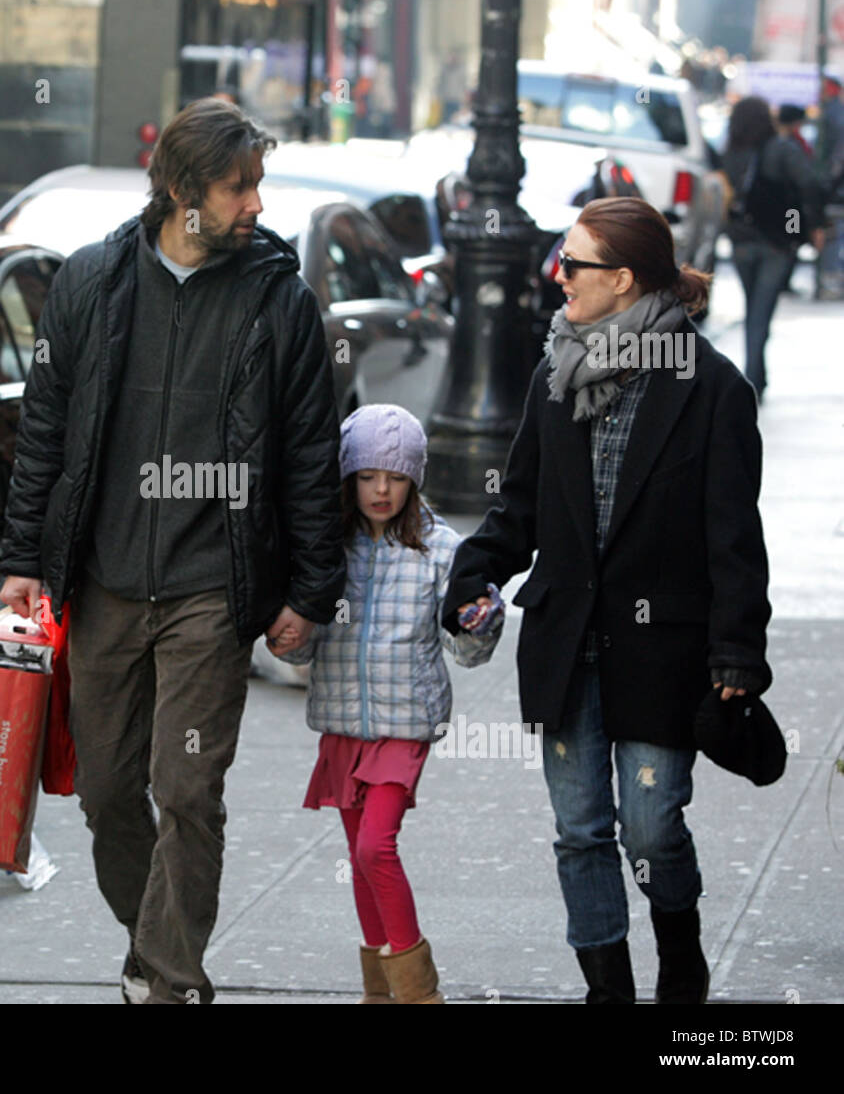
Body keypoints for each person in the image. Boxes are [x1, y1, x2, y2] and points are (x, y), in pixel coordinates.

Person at [0, 97, 346, 1005]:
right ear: (182, 193)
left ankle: (173, 981)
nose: (256, 205)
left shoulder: (279, 300)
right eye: (240, 188)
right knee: (109, 792)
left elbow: (312, 451)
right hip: (106, 581)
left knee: (186, 789)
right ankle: (152, 944)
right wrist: (23, 558)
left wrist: (309, 590)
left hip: (210, 588)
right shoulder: (90, 283)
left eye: (258, 185)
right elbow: (44, 432)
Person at [442, 197, 773, 1005]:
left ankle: (681, 959)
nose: (558, 277)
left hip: (663, 653)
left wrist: (737, 650)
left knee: (652, 827)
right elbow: (520, 503)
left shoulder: (712, 389)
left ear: (622, 279)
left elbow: (734, 535)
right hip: (567, 641)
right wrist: (474, 575)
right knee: (581, 829)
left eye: (574, 264)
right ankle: (609, 990)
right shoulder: (556, 371)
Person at [273, 404, 503, 1004]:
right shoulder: (328, 549)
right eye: (369, 475)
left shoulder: (442, 550)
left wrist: (480, 624)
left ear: (415, 479)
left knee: (376, 845)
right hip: (343, 722)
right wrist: (288, 637)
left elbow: (466, 649)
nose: (382, 489)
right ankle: (381, 991)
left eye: (397, 477)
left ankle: (418, 994)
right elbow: (302, 651)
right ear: (348, 477)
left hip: (406, 722)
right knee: (357, 854)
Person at [722, 96, 825, 401]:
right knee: (760, 312)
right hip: (777, 242)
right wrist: (809, 225)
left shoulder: (730, 154)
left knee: (754, 306)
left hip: (741, 239)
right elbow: (809, 184)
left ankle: (757, 375)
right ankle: (754, 379)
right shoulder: (780, 149)